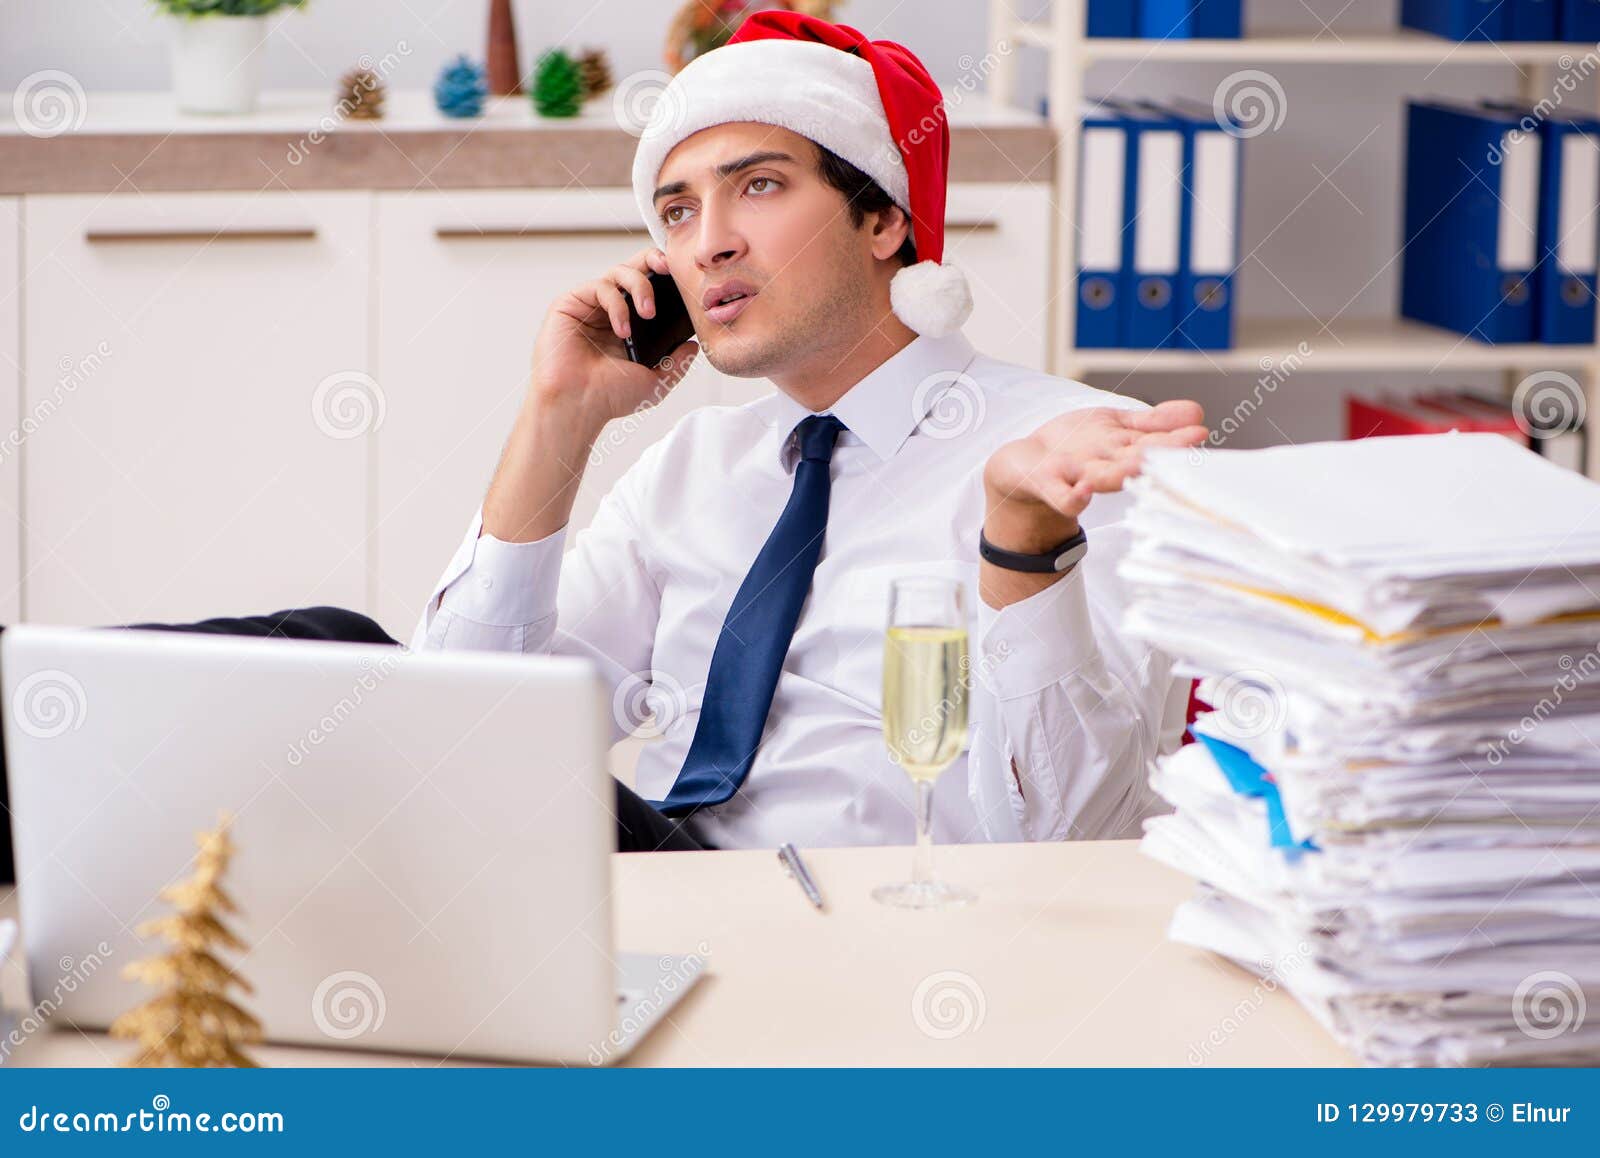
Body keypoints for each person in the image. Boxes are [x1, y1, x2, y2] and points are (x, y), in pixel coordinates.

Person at [408, 11, 1209, 854]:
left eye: (758, 186)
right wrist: (559, 415)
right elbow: (460, 740)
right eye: (677, 212)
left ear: (882, 222)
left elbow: (1070, 828)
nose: (709, 244)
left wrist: (1024, 546)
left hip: (890, 936)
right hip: (662, 902)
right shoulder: (688, 469)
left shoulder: (1071, 456)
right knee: (313, 640)